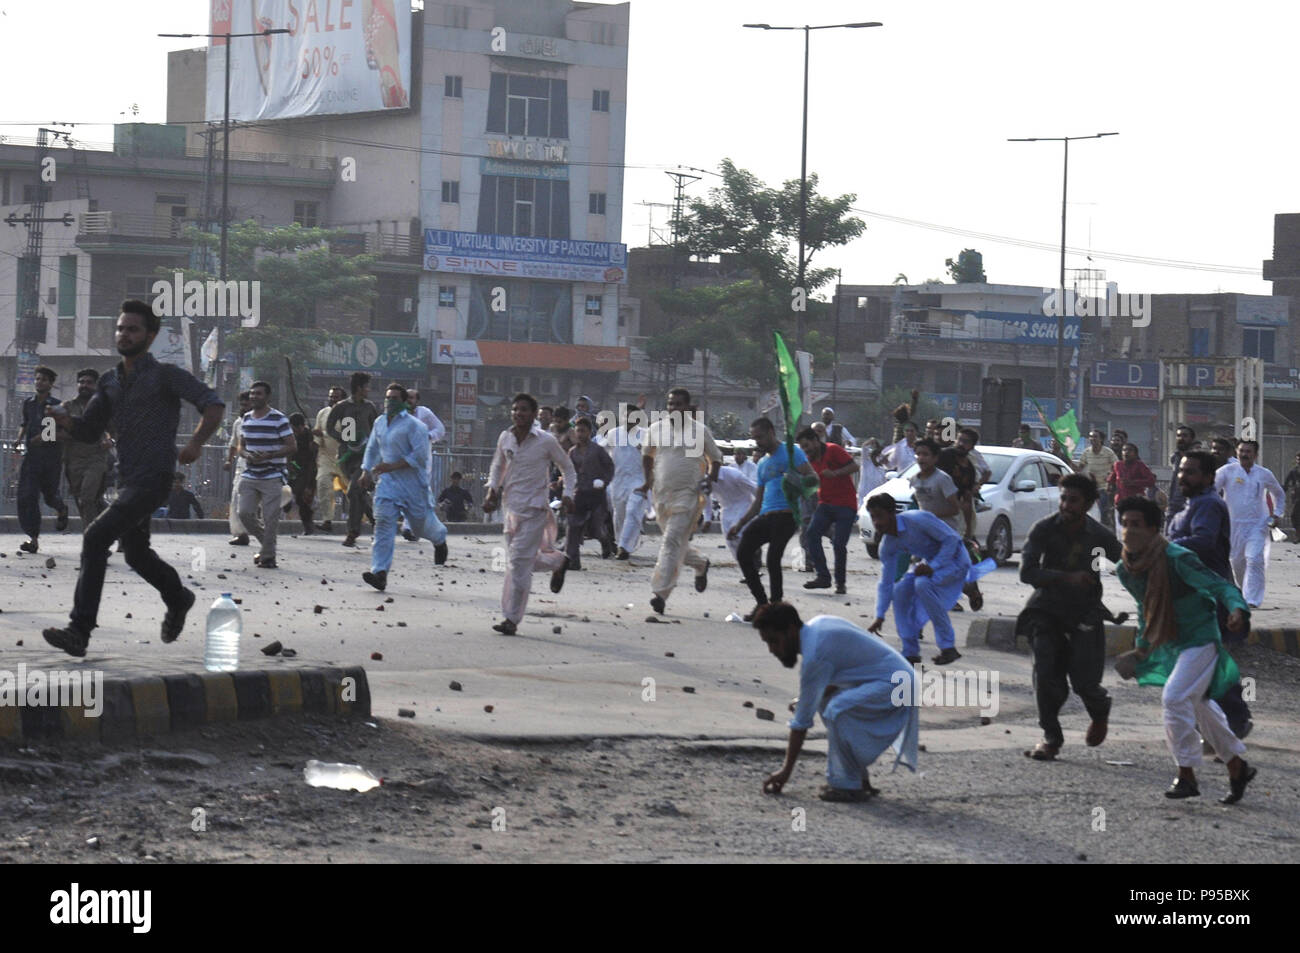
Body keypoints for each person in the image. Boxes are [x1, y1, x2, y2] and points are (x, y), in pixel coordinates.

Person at [42, 299, 224, 657]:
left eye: (133, 329)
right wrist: (67, 424)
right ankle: (178, 597)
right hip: (127, 479)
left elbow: (213, 404)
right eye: (121, 328)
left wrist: (197, 443)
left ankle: (79, 630)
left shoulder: (166, 375)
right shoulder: (109, 382)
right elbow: (90, 431)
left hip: (154, 477)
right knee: (137, 555)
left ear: (150, 335)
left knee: (95, 537)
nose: (124, 334)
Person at [1114, 496, 1256, 804]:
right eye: (1124, 524)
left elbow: (1220, 586)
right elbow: (1145, 609)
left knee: (1175, 697)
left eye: (1136, 525)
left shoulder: (1177, 558)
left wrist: (1237, 609)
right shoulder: (1126, 568)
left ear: (1153, 529)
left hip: (1201, 638)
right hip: (1169, 643)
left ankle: (1187, 773)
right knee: (1200, 707)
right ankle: (1237, 766)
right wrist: (1140, 651)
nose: (1128, 531)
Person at [756, 603, 918, 802]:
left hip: (897, 685)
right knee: (827, 703)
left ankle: (848, 785)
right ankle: (855, 775)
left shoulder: (815, 654)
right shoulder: (817, 626)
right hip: (895, 680)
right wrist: (806, 700)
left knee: (836, 709)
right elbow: (842, 674)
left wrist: (785, 772)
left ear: (790, 630)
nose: (772, 650)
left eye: (774, 641)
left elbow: (801, 723)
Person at [1016, 473, 1122, 760]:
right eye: (1063, 498)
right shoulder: (1043, 529)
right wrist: (1066, 578)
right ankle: (1051, 737)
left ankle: (1100, 711)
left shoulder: (1099, 535)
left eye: (1073, 501)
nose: (1065, 505)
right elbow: (1027, 572)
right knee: (1046, 674)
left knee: (1085, 681)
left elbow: (1126, 563)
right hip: (1046, 611)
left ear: (1088, 504)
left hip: (1085, 613)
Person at [1167, 450, 1253, 738]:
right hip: (1191, 598)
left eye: (1190, 471)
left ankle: (1235, 720)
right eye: (1181, 470)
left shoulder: (1207, 505)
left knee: (1209, 663)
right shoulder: (1190, 504)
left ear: (1207, 477)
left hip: (1211, 598)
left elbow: (1203, 541)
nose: (1183, 476)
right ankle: (1216, 722)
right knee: (1199, 663)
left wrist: (1165, 546)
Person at [483, 393, 576, 636]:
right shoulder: (506, 438)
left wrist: (569, 494)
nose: (518, 413)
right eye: (515, 409)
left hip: (535, 508)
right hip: (511, 508)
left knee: (517, 562)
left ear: (534, 414)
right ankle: (559, 561)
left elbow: (567, 467)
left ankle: (511, 618)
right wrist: (492, 491)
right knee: (521, 561)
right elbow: (497, 466)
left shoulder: (546, 441)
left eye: (524, 410)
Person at [358, 383, 449, 592]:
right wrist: (365, 471)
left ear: (404, 402)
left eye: (395, 398)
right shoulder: (380, 423)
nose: (390, 402)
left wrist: (390, 466)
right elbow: (372, 448)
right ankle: (379, 572)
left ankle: (439, 538)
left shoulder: (415, 426)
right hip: (388, 484)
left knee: (419, 526)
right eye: (388, 397)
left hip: (413, 485)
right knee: (382, 524)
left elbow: (418, 456)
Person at [642, 388, 723, 615]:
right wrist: (646, 482)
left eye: (678, 404)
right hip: (661, 495)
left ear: (688, 407)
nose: (673, 408)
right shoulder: (656, 429)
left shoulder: (699, 431)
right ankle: (700, 564)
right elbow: (647, 457)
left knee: (670, 542)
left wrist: (710, 478)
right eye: (670, 404)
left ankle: (660, 593)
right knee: (676, 542)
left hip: (688, 495)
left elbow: (715, 458)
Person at [864, 494, 969, 666]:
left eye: (880, 516)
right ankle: (910, 652)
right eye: (873, 517)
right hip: (928, 564)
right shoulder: (888, 544)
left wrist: (934, 566)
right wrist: (879, 615)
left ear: (891, 513)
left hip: (956, 559)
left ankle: (948, 647)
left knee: (922, 585)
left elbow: (952, 539)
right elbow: (886, 582)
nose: (876, 522)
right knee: (899, 591)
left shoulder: (917, 519)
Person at [730, 417, 817, 619]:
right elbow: (757, 501)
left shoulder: (791, 452)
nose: (757, 442)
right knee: (743, 553)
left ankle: (776, 606)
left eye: (760, 437)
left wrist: (798, 483)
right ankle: (762, 604)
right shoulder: (762, 464)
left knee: (772, 559)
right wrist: (741, 523)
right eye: (754, 439)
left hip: (787, 516)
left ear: (771, 432)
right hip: (766, 516)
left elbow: (813, 480)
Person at [1214, 439, 1285, 608]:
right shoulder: (1226, 471)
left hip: (1258, 524)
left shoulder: (1264, 473)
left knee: (1254, 559)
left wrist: (1277, 514)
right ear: (1236, 453)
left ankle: (1252, 600)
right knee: (1237, 562)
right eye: (1242, 451)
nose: (1244, 454)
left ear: (1255, 455)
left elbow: (1279, 494)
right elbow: (1211, 491)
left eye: (1248, 451)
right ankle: (1244, 591)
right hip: (1233, 525)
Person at [236, 381, 296, 570]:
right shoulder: (246, 418)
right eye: (252, 394)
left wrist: (269, 455)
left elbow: (292, 446)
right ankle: (267, 545)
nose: (254, 397)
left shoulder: (279, 419)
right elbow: (241, 446)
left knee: (271, 518)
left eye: (259, 394)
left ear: (267, 397)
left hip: (272, 475)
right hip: (250, 474)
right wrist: (247, 455)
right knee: (244, 513)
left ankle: (268, 557)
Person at [797, 426, 860, 594]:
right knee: (811, 534)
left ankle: (840, 583)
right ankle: (823, 577)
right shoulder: (809, 461)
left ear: (815, 440)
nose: (806, 450)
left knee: (839, 544)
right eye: (802, 447)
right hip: (825, 504)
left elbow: (855, 467)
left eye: (806, 445)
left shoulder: (833, 450)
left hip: (846, 504)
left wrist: (835, 473)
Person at [16, 365, 69, 553]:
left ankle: (61, 508)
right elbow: (25, 423)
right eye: (38, 379)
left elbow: (64, 432)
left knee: (49, 495)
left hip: (51, 459)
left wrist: (44, 436)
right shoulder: (28, 403)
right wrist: (19, 439)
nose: (40, 382)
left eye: (44, 380)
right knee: (27, 495)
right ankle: (33, 538)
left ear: (51, 384)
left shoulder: (57, 405)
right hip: (32, 458)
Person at [327, 372, 379, 548]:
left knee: (353, 491)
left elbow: (376, 430)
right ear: (359, 388)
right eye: (367, 386)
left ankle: (353, 531)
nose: (369, 390)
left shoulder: (370, 407)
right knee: (358, 493)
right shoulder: (342, 407)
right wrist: (343, 437)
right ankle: (375, 522)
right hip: (346, 458)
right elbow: (329, 427)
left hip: (364, 458)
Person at [61, 368, 112, 528]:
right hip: (73, 462)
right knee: (85, 502)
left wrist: (112, 441)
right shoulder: (65, 407)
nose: (84, 385)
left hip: (96, 459)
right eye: (81, 382)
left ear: (96, 386)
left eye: (89, 383)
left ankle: (92, 540)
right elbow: (48, 433)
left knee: (87, 498)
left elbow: (116, 430)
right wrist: (68, 434)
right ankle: (121, 527)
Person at [565, 416, 616, 569]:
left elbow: (610, 467)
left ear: (589, 432)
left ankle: (606, 542)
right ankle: (573, 561)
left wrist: (604, 482)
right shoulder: (572, 452)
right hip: (579, 493)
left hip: (596, 494)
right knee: (574, 526)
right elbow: (568, 471)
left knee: (595, 528)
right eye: (578, 430)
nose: (580, 434)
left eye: (583, 431)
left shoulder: (598, 450)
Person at [401, 389, 447, 541]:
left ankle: (410, 528)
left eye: (412, 398)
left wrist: (428, 436)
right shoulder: (399, 414)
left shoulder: (424, 413)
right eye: (407, 398)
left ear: (417, 400)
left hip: (421, 461)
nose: (409, 400)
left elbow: (440, 429)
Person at [602, 404, 647, 560]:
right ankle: (621, 543)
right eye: (626, 416)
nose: (628, 419)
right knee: (619, 514)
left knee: (633, 510)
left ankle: (624, 547)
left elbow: (656, 457)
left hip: (639, 480)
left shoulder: (646, 435)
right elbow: (601, 453)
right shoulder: (613, 434)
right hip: (617, 481)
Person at [312, 385, 346, 532]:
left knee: (353, 492)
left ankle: (369, 518)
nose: (333, 399)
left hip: (344, 458)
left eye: (336, 397)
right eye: (331, 396)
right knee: (323, 484)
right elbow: (316, 438)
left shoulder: (348, 415)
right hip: (325, 456)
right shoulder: (322, 413)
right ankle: (327, 520)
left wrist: (324, 434)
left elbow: (348, 439)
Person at [710, 462, 757, 563]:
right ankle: (746, 567)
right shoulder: (704, 479)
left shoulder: (733, 474)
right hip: (726, 510)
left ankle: (752, 562)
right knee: (730, 541)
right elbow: (704, 499)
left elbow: (754, 488)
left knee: (738, 535)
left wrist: (761, 507)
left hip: (743, 505)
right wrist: (707, 518)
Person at [1073, 429, 1119, 527]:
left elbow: (1117, 467)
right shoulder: (1087, 452)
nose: (1092, 439)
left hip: (1104, 487)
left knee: (1102, 511)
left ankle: (1103, 529)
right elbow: (1079, 468)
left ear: (1101, 439)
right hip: (1091, 487)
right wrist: (1069, 461)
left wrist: (1110, 477)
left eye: (1095, 437)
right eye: (1091, 436)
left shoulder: (1108, 452)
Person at [224, 390, 252, 546]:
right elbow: (234, 444)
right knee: (236, 498)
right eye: (242, 404)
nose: (244, 407)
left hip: (264, 467)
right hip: (243, 467)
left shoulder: (265, 420)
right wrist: (228, 460)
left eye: (247, 404)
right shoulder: (238, 423)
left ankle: (267, 538)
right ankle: (241, 534)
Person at [286, 412, 317, 534]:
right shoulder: (289, 435)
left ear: (302, 426)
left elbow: (314, 456)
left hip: (308, 469)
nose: (295, 432)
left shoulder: (309, 436)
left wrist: (311, 482)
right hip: (293, 467)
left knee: (301, 496)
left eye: (297, 429)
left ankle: (307, 524)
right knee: (287, 490)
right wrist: (288, 465)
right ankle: (287, 504)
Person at [1164, 424, 1197, 526]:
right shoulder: (1175, 457)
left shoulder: (1195, 458)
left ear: (1191, 439)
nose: (1181, 438)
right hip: (1174, 502)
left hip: (1190, 502)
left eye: (1184, 436)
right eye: (1178, 436)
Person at [1110, 442, 1157, 507]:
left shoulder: (1140, 465)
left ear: (1135, 454)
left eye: (1130, 450)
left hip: (1136, 500)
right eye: (1124, 450)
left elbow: (1151, 481)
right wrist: (1110, 485)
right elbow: (1111, 479)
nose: (1126, 452)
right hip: (1120, 500)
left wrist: (1132, 482)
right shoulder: (1117, 465)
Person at [857, 439, 887, 511]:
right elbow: (864, 447)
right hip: (862, 500)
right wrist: (872, 441)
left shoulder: (882, 471)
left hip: (875, 502)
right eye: (878, 456)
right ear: (873, 456)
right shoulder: (866, 464)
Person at [1285, 452, 1300, 542]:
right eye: (1298, 459)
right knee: (1294, 516)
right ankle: (1298, 534)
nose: (1299, 461)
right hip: (1296, 497)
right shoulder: (1293, 472)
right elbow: (1286, 483)